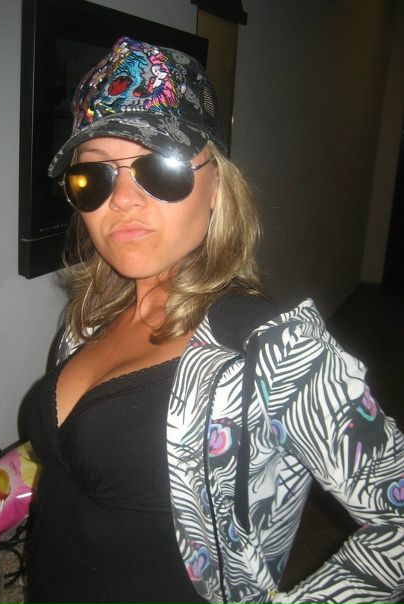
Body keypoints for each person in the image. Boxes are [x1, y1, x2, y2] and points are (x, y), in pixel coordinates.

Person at [21, 36, 404, 604]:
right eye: (93, 176)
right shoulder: (92, 317)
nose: (122, 199)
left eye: (160, 167)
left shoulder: (272, 348)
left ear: (217, 185)